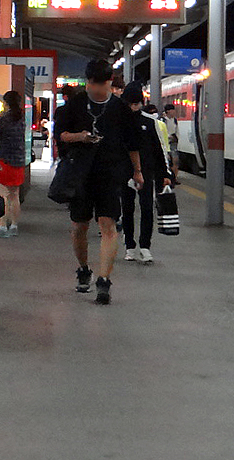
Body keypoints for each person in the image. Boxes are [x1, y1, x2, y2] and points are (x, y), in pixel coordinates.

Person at [53, 59, 145, 305]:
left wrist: (137, 172)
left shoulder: (120, 109)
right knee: (79, 226)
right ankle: (84, 268)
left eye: (101, 84)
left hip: (109, 173)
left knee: (108, 224)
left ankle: (104, 280)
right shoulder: (75, 105)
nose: (96, 89)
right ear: (87, 81)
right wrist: (80, 137)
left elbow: (133, 144)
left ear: (109, 82)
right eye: (92, 84)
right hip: (80, 174)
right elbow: (60, 135)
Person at [119, 84, 174, 264]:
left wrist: (165, 174)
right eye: (131, 104)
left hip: (147, 171)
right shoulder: (119, 122)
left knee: (147, 208)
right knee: (127, 209)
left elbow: (159, 150)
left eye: (137, 104)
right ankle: (129, 245)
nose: (134, 107)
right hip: (125, 172)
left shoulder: (149, 123)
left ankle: (145, 246)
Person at [0, 89, 29, 237]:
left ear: (5, 103)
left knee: (2, 195)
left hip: (4, 160)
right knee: (14, 195)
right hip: (18, 161)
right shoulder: (21, 119)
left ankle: (2, 226)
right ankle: (14, 226)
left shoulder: (2, 120)